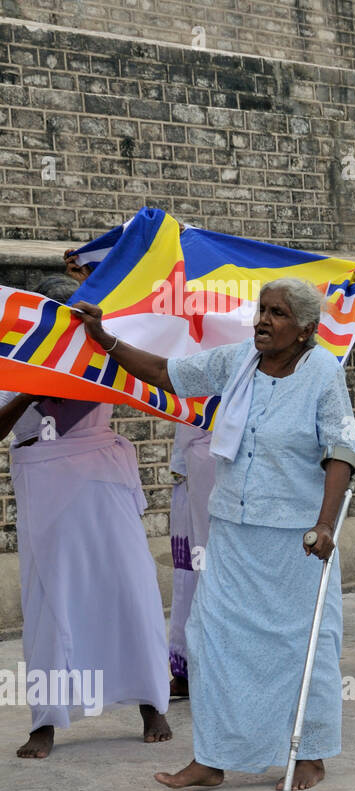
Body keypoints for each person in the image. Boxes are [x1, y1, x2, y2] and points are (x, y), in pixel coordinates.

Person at [74, 277, 355, 791]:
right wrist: (105, 339)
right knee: (209, 638)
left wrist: (324, 523)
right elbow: (165, 373)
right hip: (232, 527)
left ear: (304, 329)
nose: (263, 320)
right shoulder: (238, 361)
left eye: (277, 313)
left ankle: (310, 754)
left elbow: (341, 450)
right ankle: (213, 757)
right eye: (262, 309)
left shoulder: (322, 373)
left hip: (294, 538)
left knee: (303, 643)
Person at [4, 274, 171, 759]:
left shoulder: (104, 348)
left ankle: (152, 703)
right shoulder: (13, 357)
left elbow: (158, 376)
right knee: (50, 598)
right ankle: (46, 721)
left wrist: (104, 341)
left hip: (102, 479)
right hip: (45, 484)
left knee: (130, 587)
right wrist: (31, 389)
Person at [166, 424, 216, 697]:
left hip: (214, 465)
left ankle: (212, 668)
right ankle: (185, 668)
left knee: (212, 576)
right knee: (187, 576)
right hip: (189, 467)